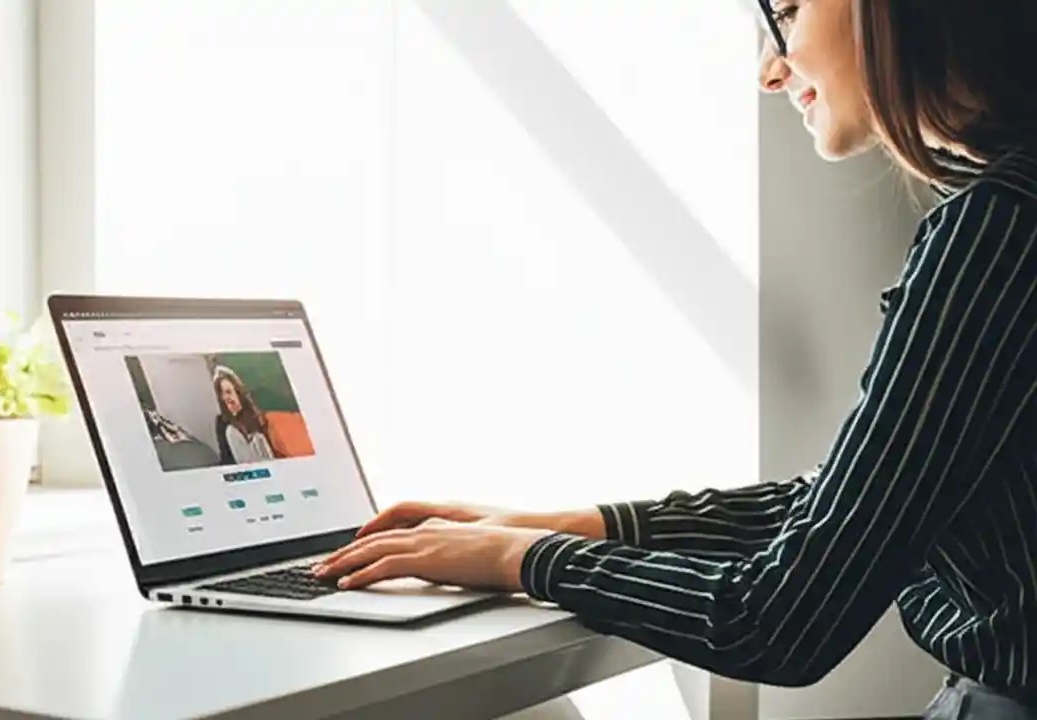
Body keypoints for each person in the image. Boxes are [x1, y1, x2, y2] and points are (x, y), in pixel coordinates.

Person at [314, 1, 1037, 716]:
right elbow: (842, 509)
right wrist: (560, 525)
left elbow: (776, 624)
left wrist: (523, 560)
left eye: (785, 12)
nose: (769, 71)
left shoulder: (996, 232)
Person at [212, 365, 277, 464]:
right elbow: (226, 458)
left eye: (229, 392)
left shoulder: (255, 417)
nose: (226, 398)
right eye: (222, 394)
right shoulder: (224, 425)